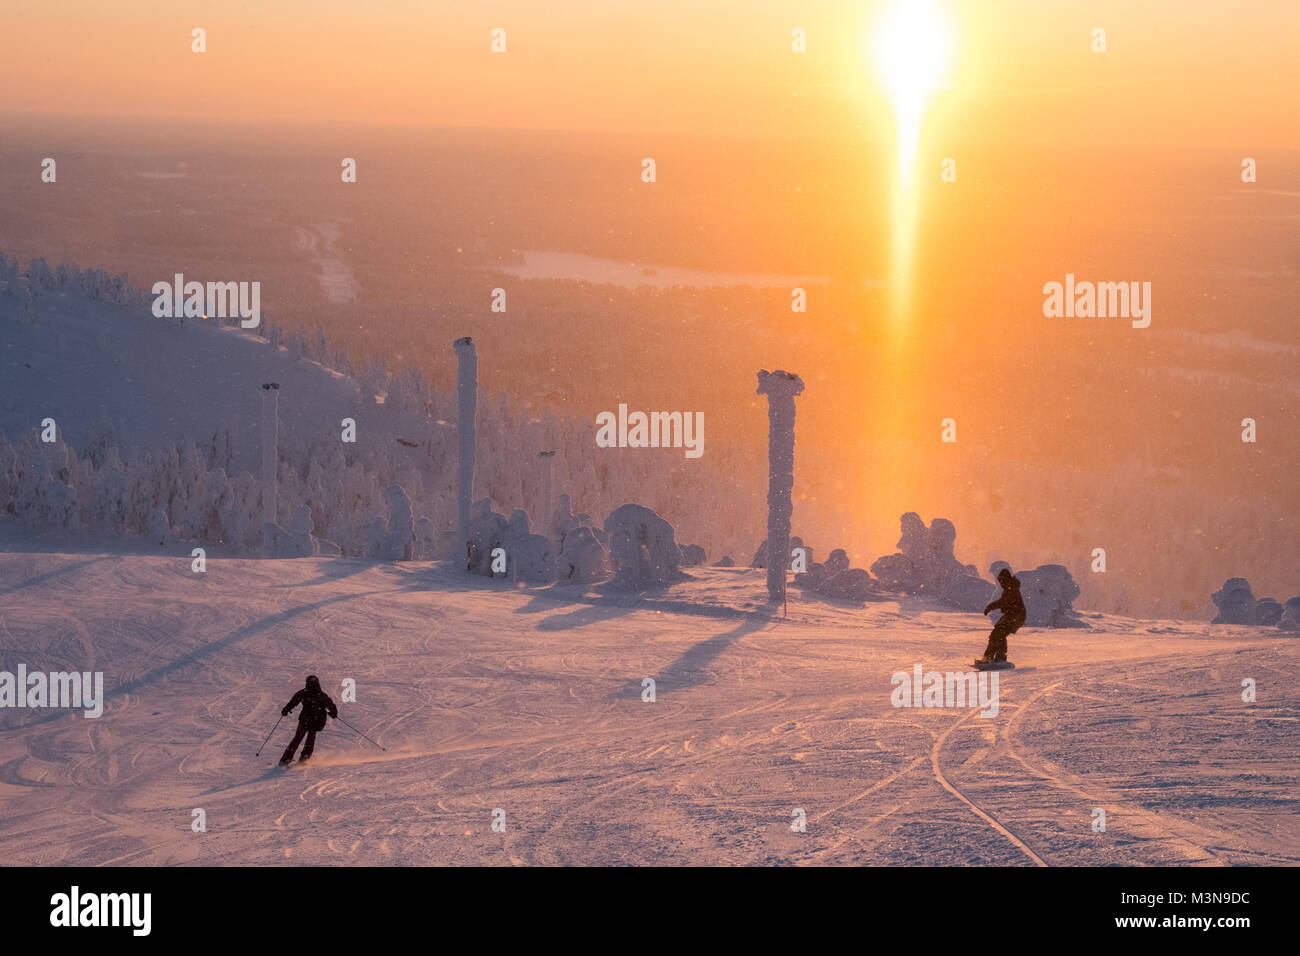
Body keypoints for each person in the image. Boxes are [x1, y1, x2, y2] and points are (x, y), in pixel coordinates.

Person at [279, 675, 337, 765]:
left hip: (306, 719)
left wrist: (286, 709)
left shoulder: (304, 693)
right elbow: (330, 705)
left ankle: (286, 758)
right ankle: (305, 757)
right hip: (316, 720)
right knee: (310, 738)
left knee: (297, 738)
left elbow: (294, 701)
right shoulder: (321, 695)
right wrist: (333, 713)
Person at [980, 568, 1026, 662]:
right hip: (1011, 615)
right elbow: (1003, 602)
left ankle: (1000, 658)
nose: (1001, 584)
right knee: (995, 634)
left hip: (1017, 616)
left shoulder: (1012, 588)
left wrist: (990, 607)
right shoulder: (1008, 588)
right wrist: (990, 607)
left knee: (1000, 634)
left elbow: (1004, 602)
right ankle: (988, 657)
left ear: (1005, 579)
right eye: (1000, 581)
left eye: (1002, 581)